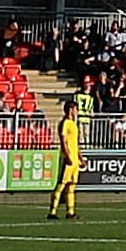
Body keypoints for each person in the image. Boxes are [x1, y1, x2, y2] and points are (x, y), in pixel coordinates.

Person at [49, 92, 84, 221]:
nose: (77, 112)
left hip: (74, 160)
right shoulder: (64, 123)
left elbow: (76, 143)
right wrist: (67, 155)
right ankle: (52, 211)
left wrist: (80, 157)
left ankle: (70, 212)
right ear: (70, 110)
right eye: (75, 109)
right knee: (61, 184)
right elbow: (63, 140)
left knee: (71, 186)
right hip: (68, 159)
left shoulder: (73, 124)